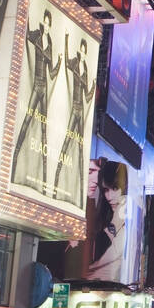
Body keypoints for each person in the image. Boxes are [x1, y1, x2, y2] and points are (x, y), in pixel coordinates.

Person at [10, 7, 62, 190]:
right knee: (26, 122)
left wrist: (59, 62)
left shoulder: (49, 44)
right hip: (37, 85)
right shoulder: (38, 35)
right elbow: (26, 35)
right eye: (45, 23)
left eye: (49, 24)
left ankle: (45, 179)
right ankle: (13, 162)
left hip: (45, 87)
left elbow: (52, 73)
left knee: (43, 130)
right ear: (43, 23)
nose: (47, 26)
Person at [53, 34, 96, 208]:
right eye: (82, 51)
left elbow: (87, 96)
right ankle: (55, 184)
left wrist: (92, 86)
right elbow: (66, 60)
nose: (84, 54)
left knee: (80, 154)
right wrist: (65, 39)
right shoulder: (75, 65)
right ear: (79, 52)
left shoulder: (85, 71)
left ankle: (79, 198)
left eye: (86, 52)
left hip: (81, 110)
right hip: (74, 110)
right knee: (65, 145)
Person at [86, 161, 128, 281]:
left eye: (115, 188)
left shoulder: (127, 214)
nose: (109, 196)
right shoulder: (106, 214)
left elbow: (113, 251)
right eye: (106, 190)